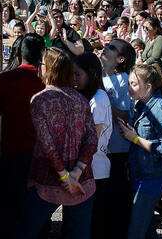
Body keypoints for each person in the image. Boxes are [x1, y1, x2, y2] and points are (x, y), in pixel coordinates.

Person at [12, 47, 98, 239]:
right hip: (81, 180)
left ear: (50, 68)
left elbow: (47, 145)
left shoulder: (40, 100)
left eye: (41, 63)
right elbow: (92, 140)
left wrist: (65, 177)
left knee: (25, 232)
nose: (39, 67)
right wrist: (75, 173)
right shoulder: (81, 99)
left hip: (48, 179)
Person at [0, 33, 45, 238]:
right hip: (42, 156)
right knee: (37, 209)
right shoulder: (46, 81)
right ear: (41, 56)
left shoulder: (7, 79)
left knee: (9, 207)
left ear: (18, 55)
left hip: (14, 154)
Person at [114, 62, 162, 239]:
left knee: (135, 232)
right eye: (129, 83)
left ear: (148, 87)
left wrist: (134, 138)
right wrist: (130, 134)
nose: (129, 88)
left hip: (152, 178)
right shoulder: (141, 105)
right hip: (140, 174)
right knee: (147, 230)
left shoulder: (161, 108)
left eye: (134, 84)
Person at [98, 38, 137, 239]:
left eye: (111, 47)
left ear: (121, 59)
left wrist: (104, 99)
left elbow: (124, 115)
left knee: (116, 199)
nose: (105, 47)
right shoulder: (98, 75)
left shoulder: (123, 80)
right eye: (106, 45)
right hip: (99, 150)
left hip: (117, 149)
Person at [73, 52, 113, 229]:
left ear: (91, 74)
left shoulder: (99, 98)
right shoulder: (86, 96)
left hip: (95, 170)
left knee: (94, 224)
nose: (75, 79)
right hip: (87, 169)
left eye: (78, 74)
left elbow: (92, 140)